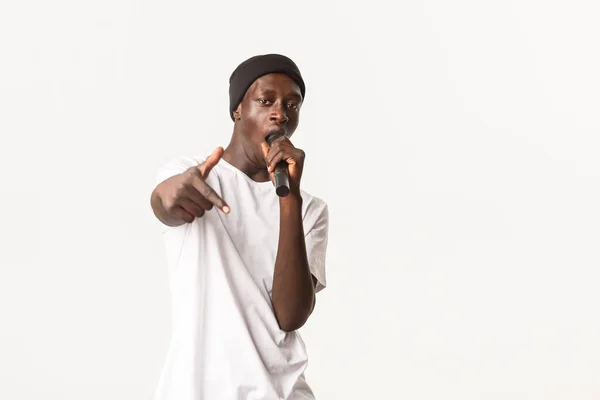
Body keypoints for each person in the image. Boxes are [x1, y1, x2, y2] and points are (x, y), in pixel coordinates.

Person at [150, 54, 329, 400]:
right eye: (266, 101)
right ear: (237, 109)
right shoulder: (194, 175)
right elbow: (165, 203)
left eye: (293, 104)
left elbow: (290, 315)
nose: (281, 113)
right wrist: (172, 194)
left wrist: (288, 199)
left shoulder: (311, 211)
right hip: (197, 389)